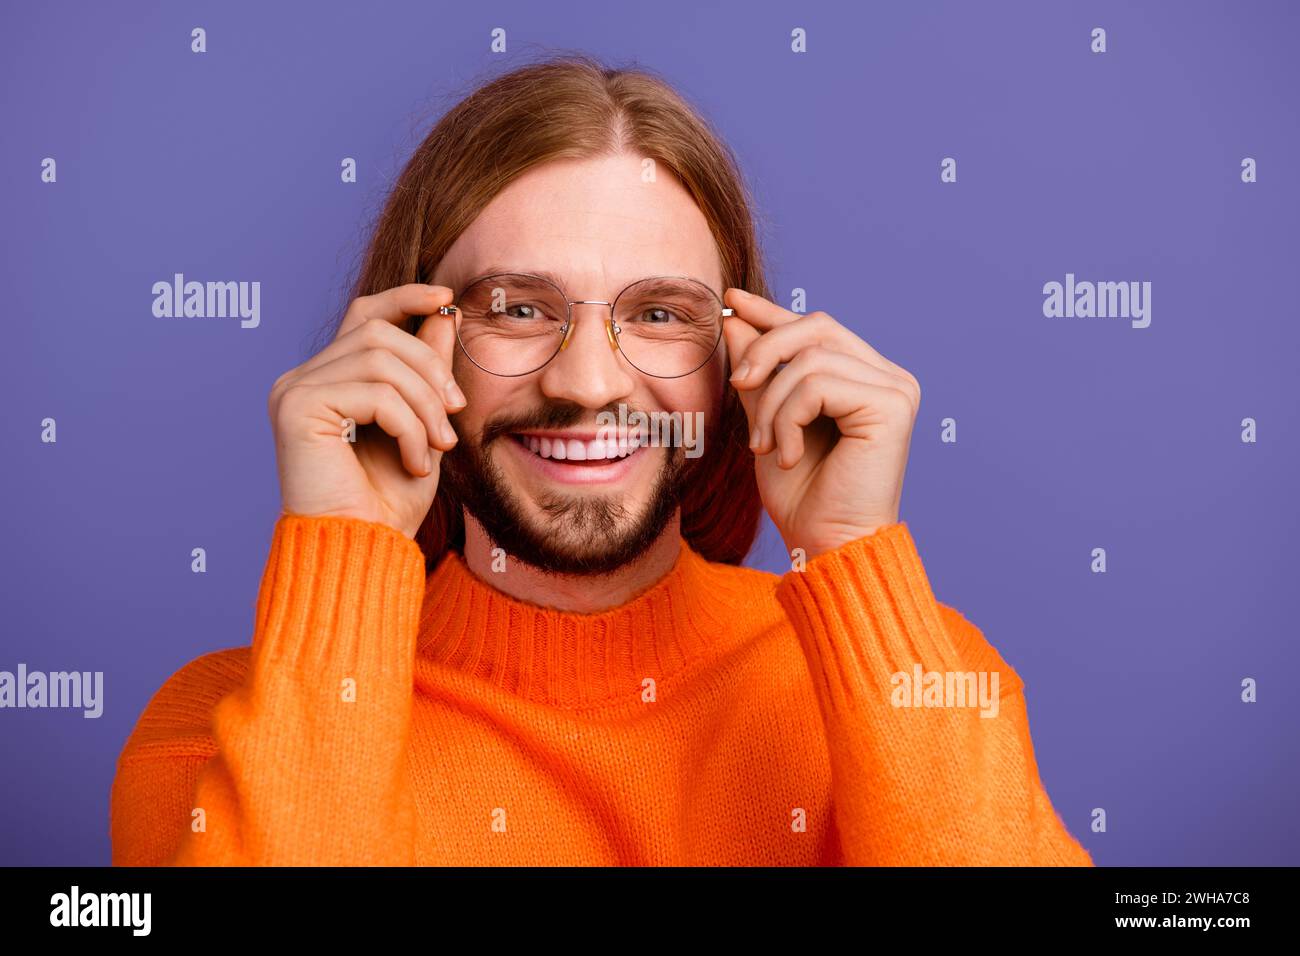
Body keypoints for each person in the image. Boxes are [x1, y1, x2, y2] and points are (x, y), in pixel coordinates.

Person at [110, 53, 1092, 867]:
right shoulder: (220, 729)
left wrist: (851, 551)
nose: (586, 383)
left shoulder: (920, 673)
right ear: (409, 341)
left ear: (739, 362)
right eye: (516, 307)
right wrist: (344, 546)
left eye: (657, 314)